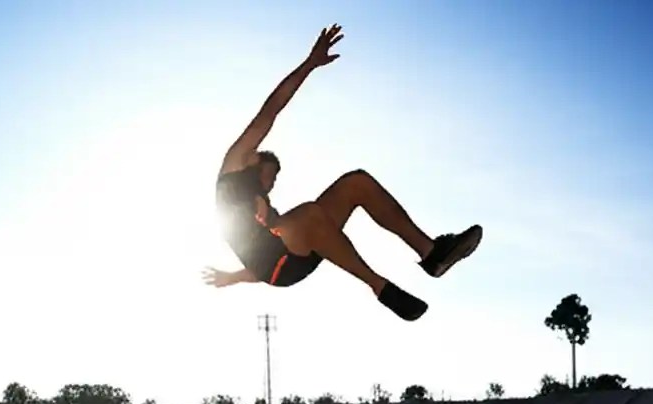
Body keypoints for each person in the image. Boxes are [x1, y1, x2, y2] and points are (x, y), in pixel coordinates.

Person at [203, 24, 482, 321]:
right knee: (309, 214)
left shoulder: (264, 210)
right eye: (269, 176)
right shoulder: (234, 166)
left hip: (297, 253)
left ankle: (432, 253)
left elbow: (262, 244)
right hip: (280, 264)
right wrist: (309, 64)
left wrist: (232, 276)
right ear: (254, 159)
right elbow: (271, 109)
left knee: (356, 183)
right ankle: (379, 286)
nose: (270, 186)